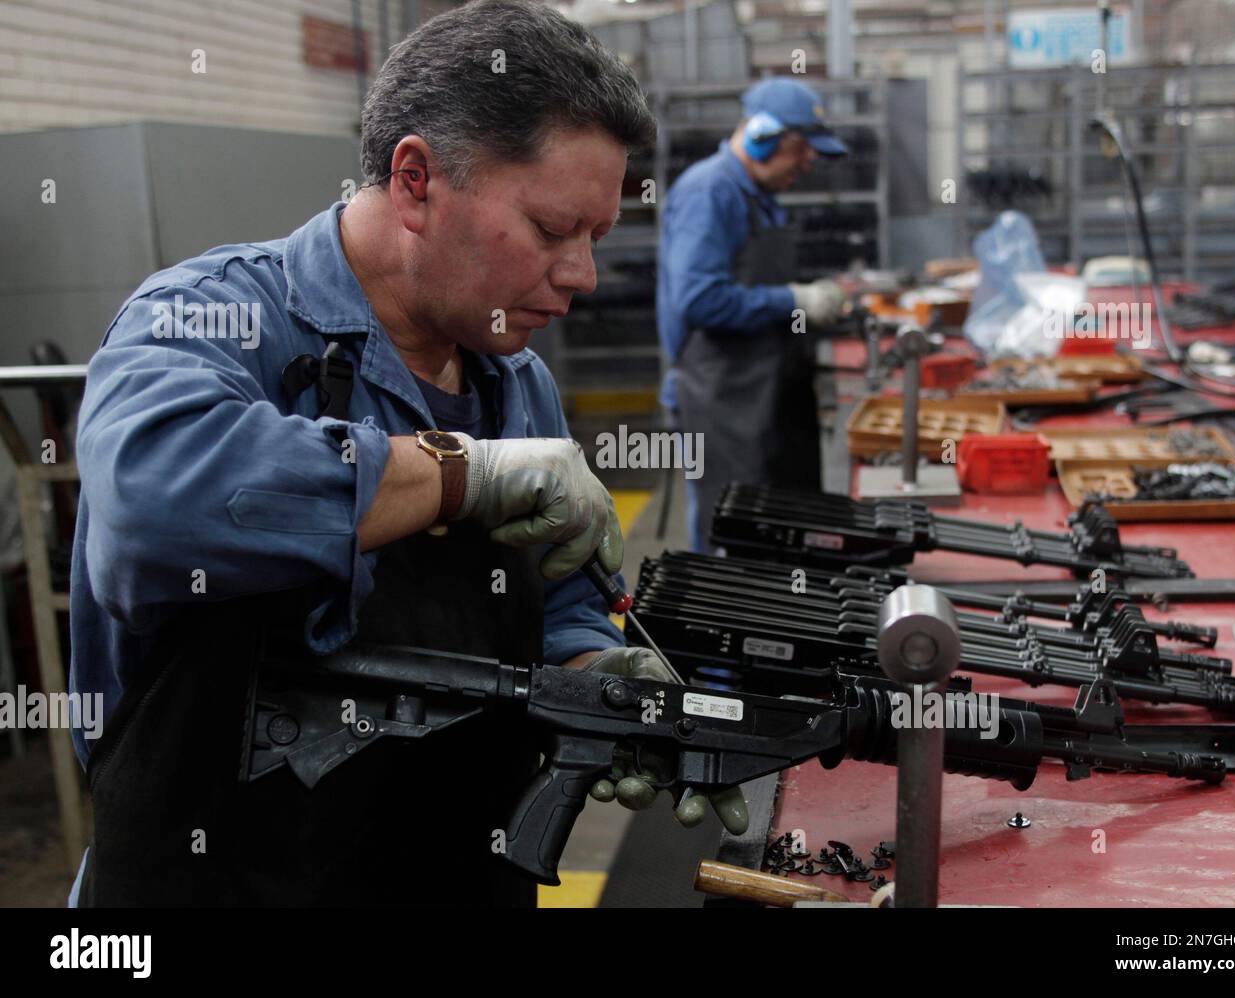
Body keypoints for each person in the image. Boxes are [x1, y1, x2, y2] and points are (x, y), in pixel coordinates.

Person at [67, 0, 745, 908]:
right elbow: (156, 506)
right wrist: (458, 475)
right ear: (417, 180)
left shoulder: (516, 383)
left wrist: (601, 678)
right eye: (551, 230)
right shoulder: (217, 322)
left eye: (597, 237)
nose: (581, 273)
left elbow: (563, 597)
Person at [657, 77, 850, 551]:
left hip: (763, 392)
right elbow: (699, 298)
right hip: (721, 399)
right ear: (762, 136)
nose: (808, 164)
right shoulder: (711, 192)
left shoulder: (758, 196)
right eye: (802, 150)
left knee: (773, 529)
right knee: (729, 533)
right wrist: (794, 301)